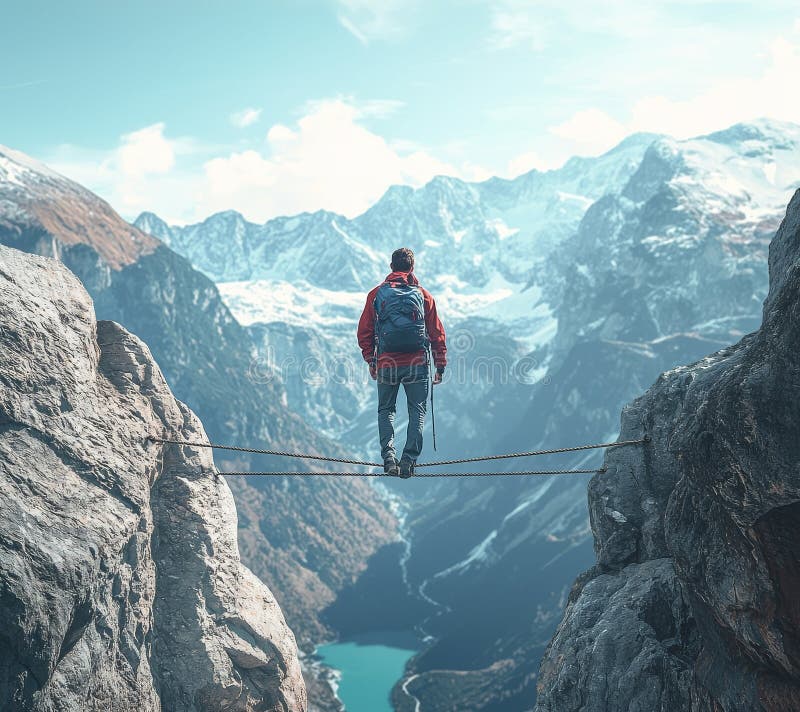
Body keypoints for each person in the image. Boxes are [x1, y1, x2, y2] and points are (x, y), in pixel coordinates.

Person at [357, 247, 447, 478]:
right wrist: (440, 365)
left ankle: (389, 458)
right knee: (417, 410)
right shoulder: (424, 296)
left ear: (391, 267)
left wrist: (371, 360)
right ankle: (408, 460)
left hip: (386, 362)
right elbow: (437, 333)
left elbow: (364, 331)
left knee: (386, 409)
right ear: (412, 268)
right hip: (417, 363)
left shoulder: (376, 294)